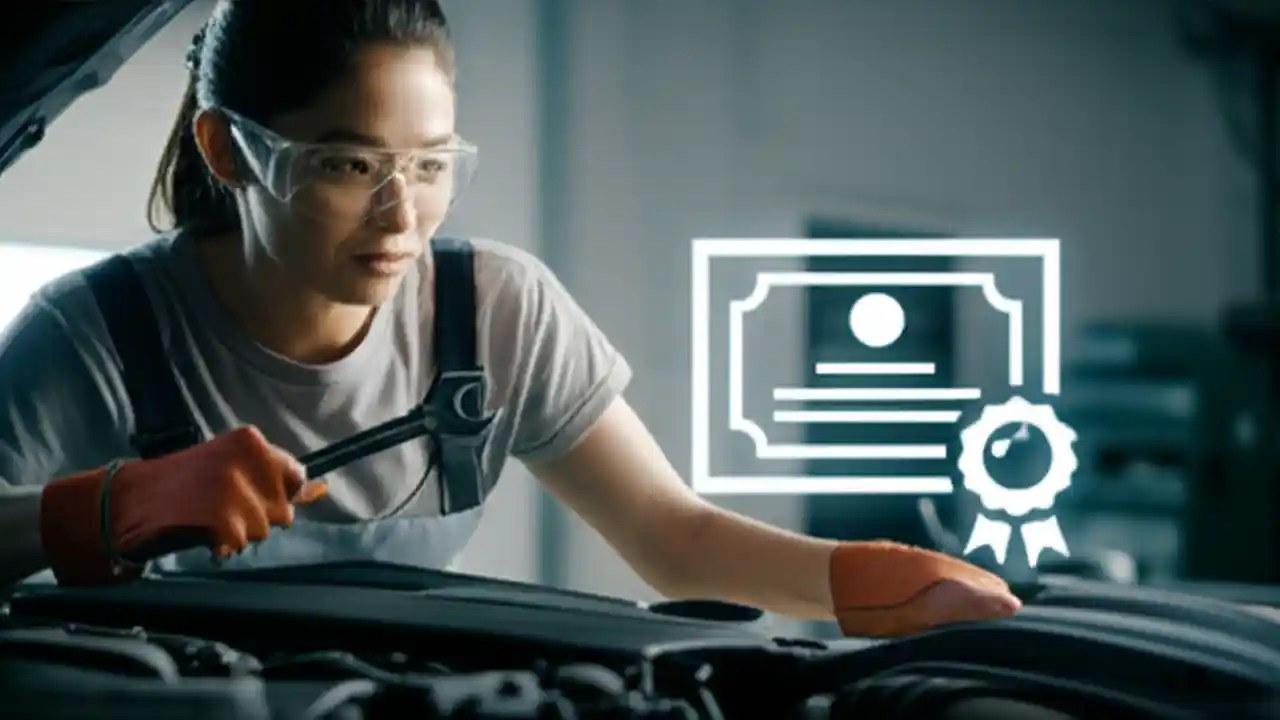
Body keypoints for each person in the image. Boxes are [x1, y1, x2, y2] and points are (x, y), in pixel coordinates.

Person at [0, 0, 1020, 637]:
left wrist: (876, 586)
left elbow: (671, 538)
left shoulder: (493, 311)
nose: (401, 216)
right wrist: (107, 508)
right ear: (229, 151)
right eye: (349, 164)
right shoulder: (97, 336)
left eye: (430, 164)